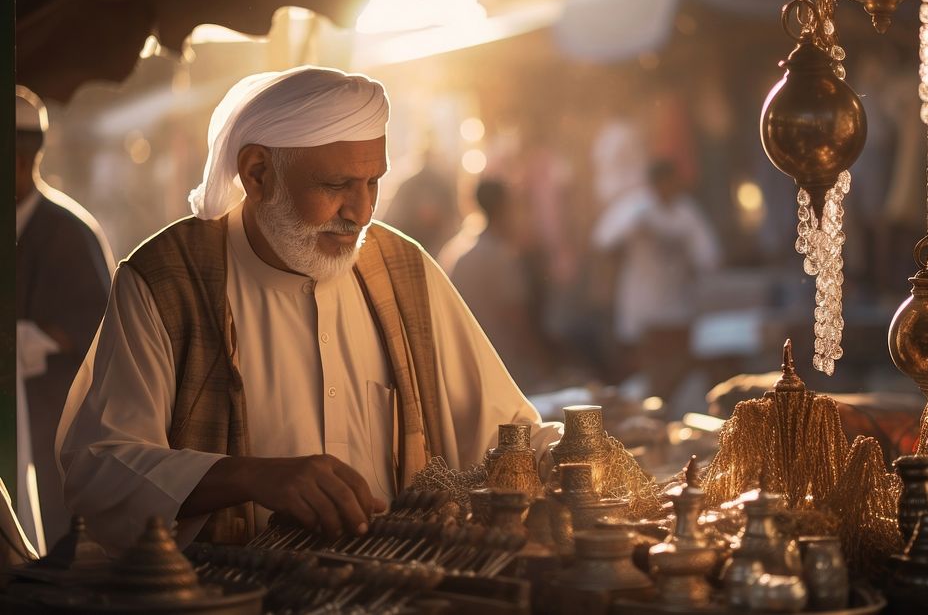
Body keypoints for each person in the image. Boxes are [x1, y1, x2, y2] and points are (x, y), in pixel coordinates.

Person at [56, 66, 561, 554]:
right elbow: (99, 472)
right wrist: (251, 476)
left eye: (372, 183)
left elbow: (504, 430)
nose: (360, 212)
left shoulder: (402, 269)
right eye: (336, 185)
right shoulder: (165, 281)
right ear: (257, 173)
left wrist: (564, 454)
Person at [15, 86, 114, 549]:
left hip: (56, 420)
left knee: (55, 539)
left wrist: (33, 338)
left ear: (25, 156)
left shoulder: (72, 231)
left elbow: (101, 324)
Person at [592, 159, 720, 412]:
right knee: (646, 375)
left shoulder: (686, 213)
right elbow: (604, 243)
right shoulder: (634, 209)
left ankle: (667, 417)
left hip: (678, 310)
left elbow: (709, 259)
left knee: (675, 376)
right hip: (643, 311)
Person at [440, 178, 553, 393]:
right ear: (503, 209)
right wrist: (543, 363)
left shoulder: (459, 251)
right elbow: (516, 318)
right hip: (502, 367)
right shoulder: (500, 257)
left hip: (465, 367)